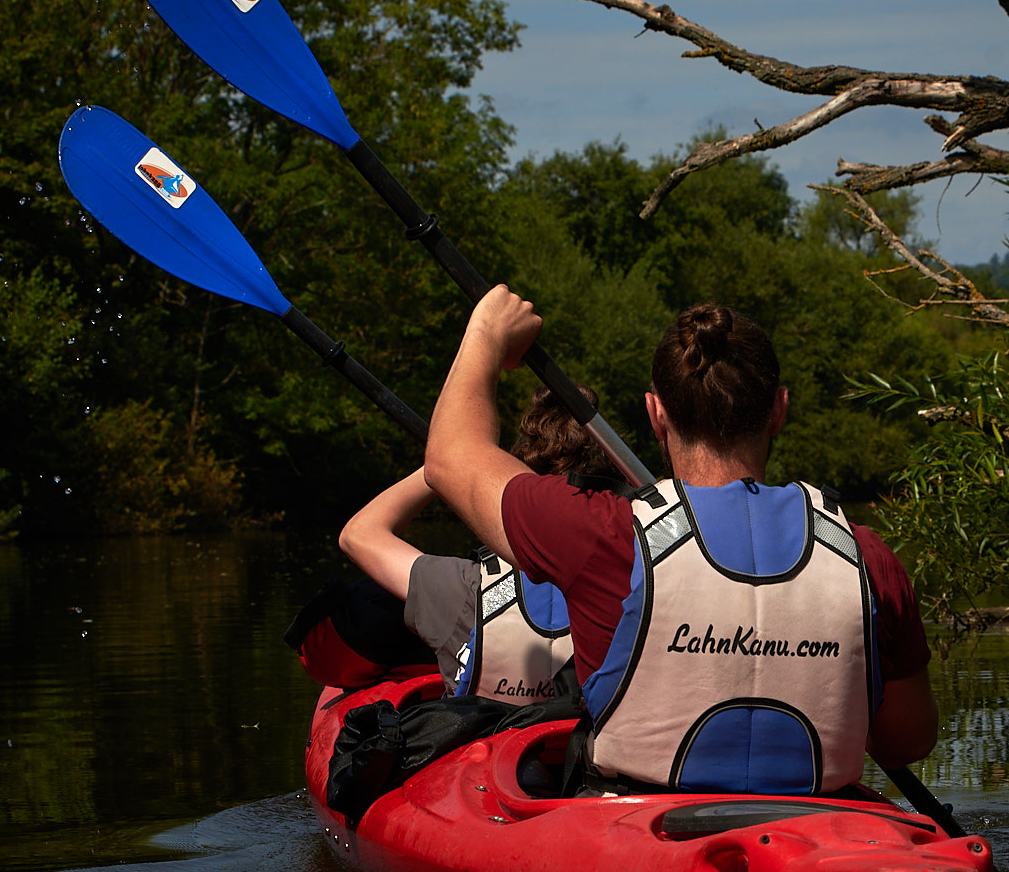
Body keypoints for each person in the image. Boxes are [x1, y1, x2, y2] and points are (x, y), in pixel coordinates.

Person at [425, 291, 939, 796]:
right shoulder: (868, 557)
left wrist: (487, 334)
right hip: (822, 846)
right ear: (779, 410)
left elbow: (450, 458)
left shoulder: (601, 534)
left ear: (656, 414)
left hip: (635, 839)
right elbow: (906, 742)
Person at [337, 387, 613, 705]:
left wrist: (446, 464)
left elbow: (357, 535)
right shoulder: (644, 571)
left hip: (490, 748)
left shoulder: (464, 585)